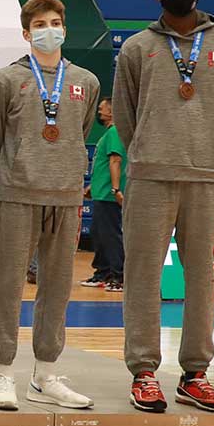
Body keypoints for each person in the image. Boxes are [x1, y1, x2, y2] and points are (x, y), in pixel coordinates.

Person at [115, 0, 214, 413]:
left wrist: (202, 144)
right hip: (151, 176)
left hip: (208, 177)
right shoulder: (137, 47)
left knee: (204, 279)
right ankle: (144, 372)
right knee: (143, 278)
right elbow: (126, 116)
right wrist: (153, 150)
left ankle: (195, 374)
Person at [0, 0, 100, 411]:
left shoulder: (85, 80)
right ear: (27, 34)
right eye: (41, 24)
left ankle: (45, 375)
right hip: (18, 196)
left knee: (57, 291)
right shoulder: (5, 81)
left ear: (65, 27)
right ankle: (3, 375)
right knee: (8, 288)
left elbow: (79, 134)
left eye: (56, 21)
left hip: (65, 198)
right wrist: (11, 180)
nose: (50, 29)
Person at [83, 98, 127, 292]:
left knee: (111, 235)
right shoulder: (108, 133)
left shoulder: (115, 132)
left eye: (102, 109)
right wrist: (94, 186)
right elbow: (103, 165)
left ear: (112, 111)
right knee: (99, 234)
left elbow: (115, 160)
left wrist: (115, 189)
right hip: (101, 193)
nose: (99, 112)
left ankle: (119, 275)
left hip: (109, 195)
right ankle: (102, 272)